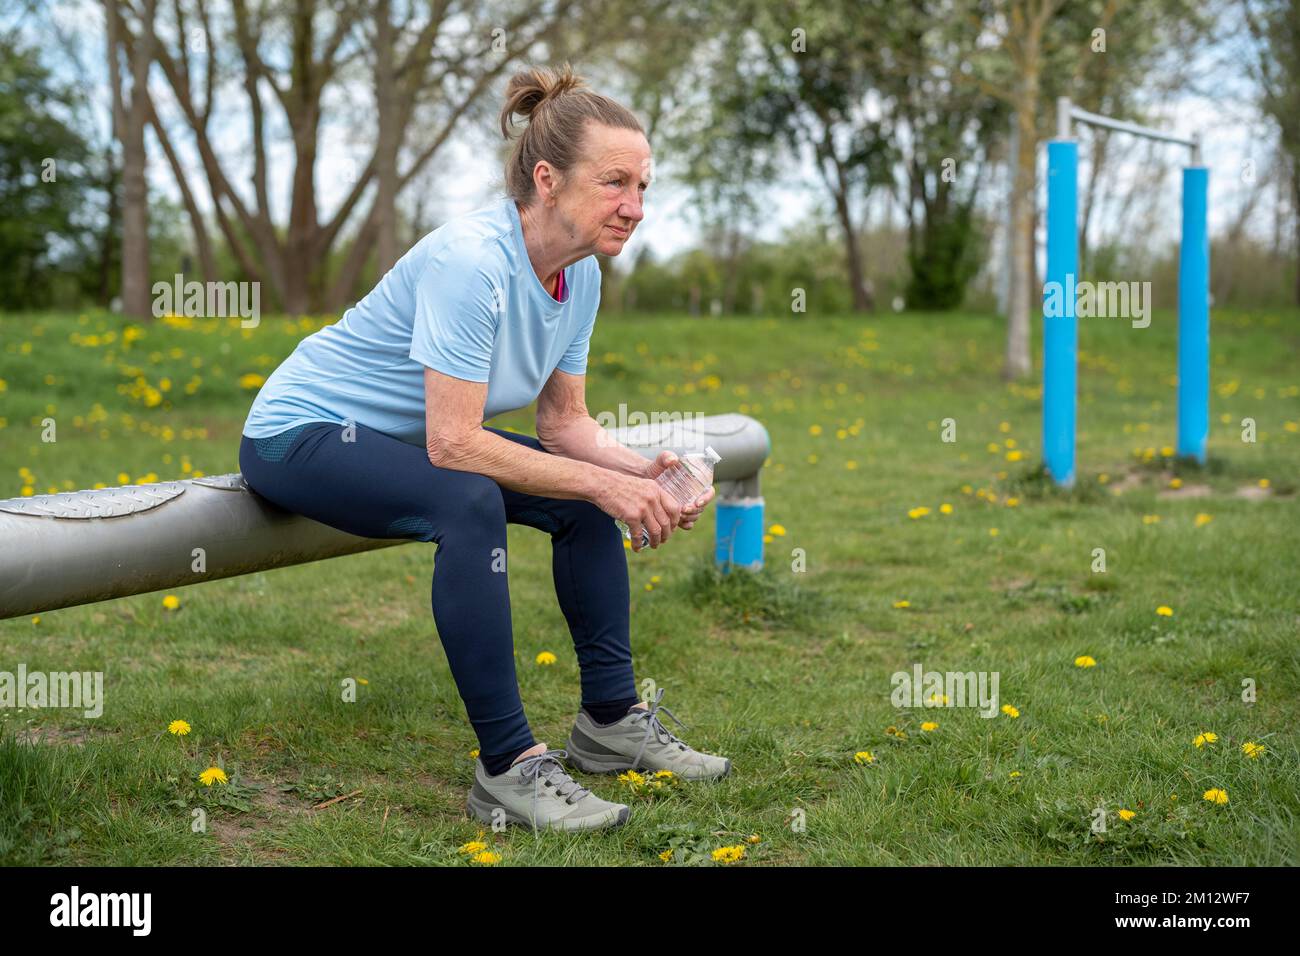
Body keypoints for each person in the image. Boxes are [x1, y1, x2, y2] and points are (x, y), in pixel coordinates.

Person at [238, 63, 729, 833]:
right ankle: (508, 767)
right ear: (547, 179)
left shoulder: (582, 275)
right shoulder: (472, 261)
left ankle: (610, 724)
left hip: (403, 439)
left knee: (578, 492)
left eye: (643, 186)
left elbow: (564, 424)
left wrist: (639, 473)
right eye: (614, 184)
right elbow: (454, 443)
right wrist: (600, 485)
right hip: (300, 433)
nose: (634, 207)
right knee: (471, 500)